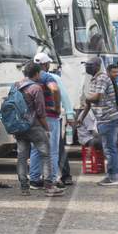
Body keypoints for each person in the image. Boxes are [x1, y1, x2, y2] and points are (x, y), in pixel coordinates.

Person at [11, 62, 60, 196]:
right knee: (46, 154)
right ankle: (49, 187)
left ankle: (24, 188)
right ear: (37, 73)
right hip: (34, 126)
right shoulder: (36, 88)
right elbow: (40, 112)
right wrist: (47, 128)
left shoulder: (16, 85)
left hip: (19, 127)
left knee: (22, 157)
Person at [83, 60, 118, 186]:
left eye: (89, 65)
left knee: (109, 149)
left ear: (96, 66)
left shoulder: (101, 78)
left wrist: (86, 97)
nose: (87, 67)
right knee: (111, 148)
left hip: (108, 118)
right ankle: (115, 174)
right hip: (105, 118)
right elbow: (90, 103)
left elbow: (96, 97)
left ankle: (113, 177)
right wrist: (81, 117)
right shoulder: (94, 79)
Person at [34, 51, 69, 189]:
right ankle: (52, 178)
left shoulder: (30, 78)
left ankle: (35, 179)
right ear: (45, 64)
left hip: (36, 118)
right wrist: (57, 107)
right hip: (50, 117)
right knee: (53, 150)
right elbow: (55, 90)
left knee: (37, 149)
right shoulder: (47, 76)